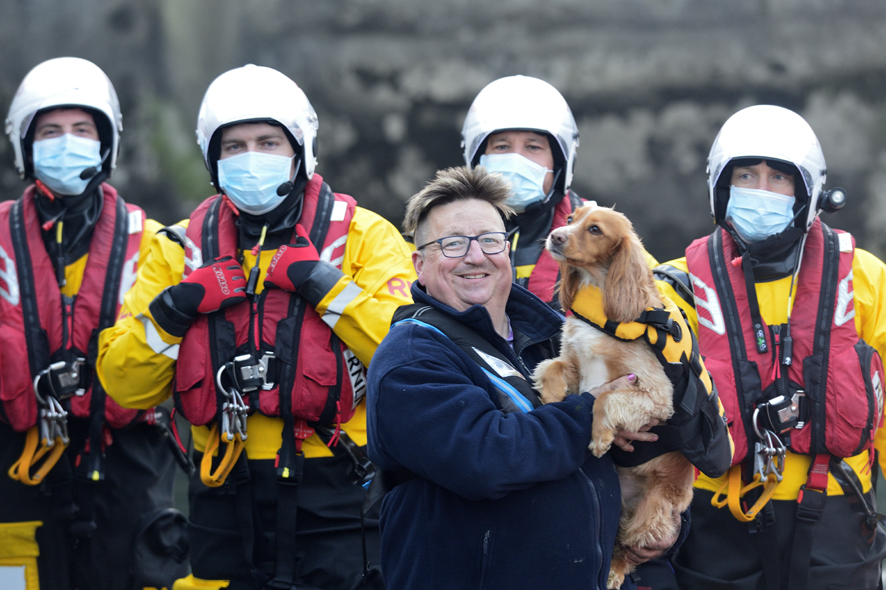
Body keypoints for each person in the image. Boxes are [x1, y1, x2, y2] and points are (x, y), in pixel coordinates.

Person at [95, 64, 416, 590]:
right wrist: (177, 307)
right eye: (234, 146)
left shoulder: (366, 237)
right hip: (222, 493)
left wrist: (325, 286)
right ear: (212, 159)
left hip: (340, 490)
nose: (251, 158)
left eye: (268, 143)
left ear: (301, 149)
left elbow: (407, 355)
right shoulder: (177, 249)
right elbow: (124, 384)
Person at [366, 166, 730, 590]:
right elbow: (487, 459)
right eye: (452, 244)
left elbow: (616, 463)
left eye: (489, 240)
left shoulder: (549, 336)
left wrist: (661, 526)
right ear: (419, 264)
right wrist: (591, 412)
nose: (475, 256)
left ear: (507, 250)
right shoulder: (411, 357)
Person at [650, 104, 886, 590]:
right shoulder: (673, 287)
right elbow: (648, 413)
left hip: (838, 515)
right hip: (715, 519)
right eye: (746, 176)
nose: (761, 190)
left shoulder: (866, 278)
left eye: (779, 177)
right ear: (721, 187)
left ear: (807, 191)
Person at [0, 57, 188, 590]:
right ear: (24, 145)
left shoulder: (157, 246)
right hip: (17, 466)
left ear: (106, 144)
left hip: (126, 470)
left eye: (83, 129)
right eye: (50, 131)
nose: (67, 142)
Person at [460, 75, 657, 307]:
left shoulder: (604, 234)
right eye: (502, 146)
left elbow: (659, 298)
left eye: (533, 147)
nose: (516, 159)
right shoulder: (441, 231)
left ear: (560, 163)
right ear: (477, 159)